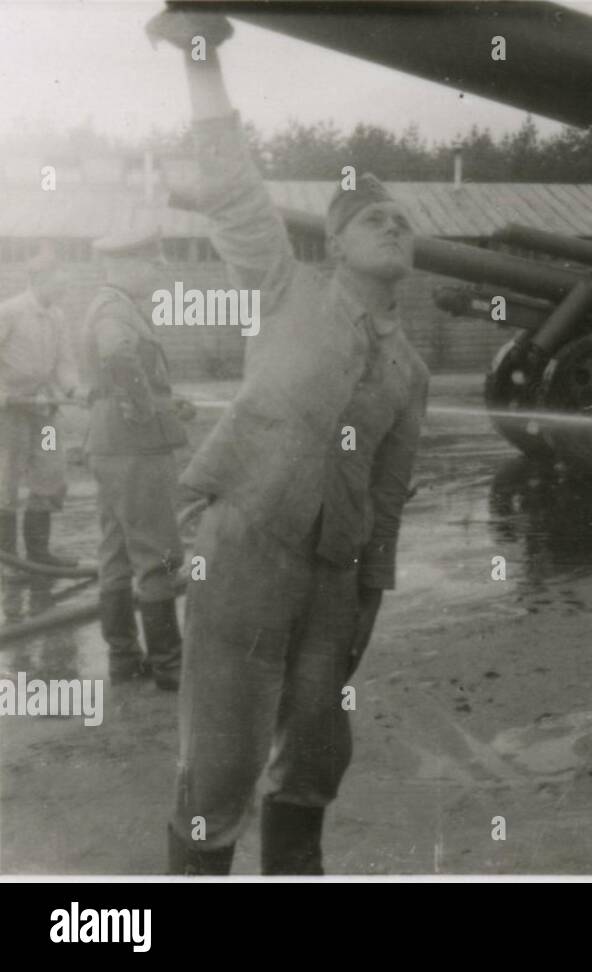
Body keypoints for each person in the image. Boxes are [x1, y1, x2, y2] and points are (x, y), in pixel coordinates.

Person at [149, 10, 429, 875]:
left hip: (335, 585)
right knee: (223, 763)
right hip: (244, 551)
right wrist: (201, 55)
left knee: (313, 760)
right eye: (372, 218)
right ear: (336, 243)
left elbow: (387, 500)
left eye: (401, 221)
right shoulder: (284, 289)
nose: (392, 226)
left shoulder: (410, 371)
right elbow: (232, 184)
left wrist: (368, 603)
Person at [82, 228, 189, 688]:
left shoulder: (114, 306)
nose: (158, 273)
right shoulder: (114, 310)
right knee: (158, 552)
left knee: (117, 552)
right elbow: (119, 358)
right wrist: (145, 408)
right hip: (134, 446)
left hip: (112, 442)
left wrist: (165, 401)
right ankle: (170, 665)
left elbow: (128, 371)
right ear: (127, 266)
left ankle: (124, 659)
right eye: (152, 265)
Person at [0, 243, 78, 601]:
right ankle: (8, 560)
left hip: (43, 410)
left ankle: (38, 553)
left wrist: (72, 388)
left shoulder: (58, 316)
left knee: (49, 470)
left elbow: (64, 361)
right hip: (9, 410)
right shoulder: (10, 312)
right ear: (40, 279)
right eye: (58, 282)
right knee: (7, 477)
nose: (63, 289)